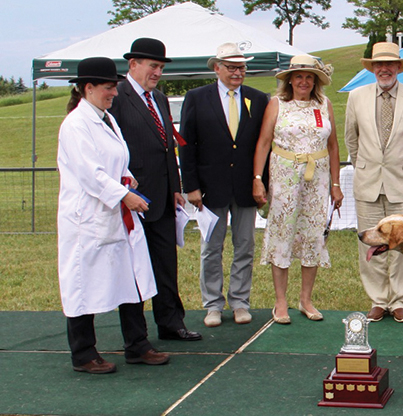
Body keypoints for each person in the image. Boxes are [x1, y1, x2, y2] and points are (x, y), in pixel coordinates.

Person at [58, 57, 169, 374]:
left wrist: (127, 175)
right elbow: (90, 173)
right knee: (83, 283)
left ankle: (137, 344)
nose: (114, 94)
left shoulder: (106, 118)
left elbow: (115, 157)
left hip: (117, 217)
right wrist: (125, 195)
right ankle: (83, 353)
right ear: (88, 88)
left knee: (130, 276)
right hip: (89, 220)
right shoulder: (76, 125)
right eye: (109, 88)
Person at [109, 38, 201, 342]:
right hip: (132, 199)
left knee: (165, 263)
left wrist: (176, 187)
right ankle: (136, 336)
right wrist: (125, 192)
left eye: (160, 67)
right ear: (133, 64)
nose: (157, 72)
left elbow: (167, 146)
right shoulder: (117, 97)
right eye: (153, 66)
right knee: (135, 267)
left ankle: (171, 322)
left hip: (162, 198)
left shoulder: (159, 99)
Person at [180, 43, 269, 328]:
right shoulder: (196, 97)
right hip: (209, 187)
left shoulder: (258, 98)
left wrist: (262, 182)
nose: (237, 72)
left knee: (245, 246)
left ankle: (240, 302)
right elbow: (187, 145)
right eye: (231, 67)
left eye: (241, 67)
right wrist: (191, 186)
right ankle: (213, 305)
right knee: (211, 248)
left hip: (245, 187)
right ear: (216, 68)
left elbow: (262, 145)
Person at [345, 42, 403, 323]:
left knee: (401, 244)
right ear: (372, 68)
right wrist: (368, 167)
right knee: (369, 244)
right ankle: (378, 301)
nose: (384, 69)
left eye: (390, 64)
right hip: (367, 182)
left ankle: (398, 302)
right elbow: (352, 138)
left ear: (398, 67)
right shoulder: (356, 97)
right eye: (378, 65)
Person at [252, 54, 343, 324]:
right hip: (284, 177)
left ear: (316, 81)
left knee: (312, 235)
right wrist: (258, 178)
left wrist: (335, 184)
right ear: (290, 79)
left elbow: (334, 146)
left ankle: (306, 299)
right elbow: (264, 142)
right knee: (283, 234)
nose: (304, 81)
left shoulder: (324, 104)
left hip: (317, 179)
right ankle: (280, 302)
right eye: (299, 76)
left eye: (309, 77)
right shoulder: (277, 104)